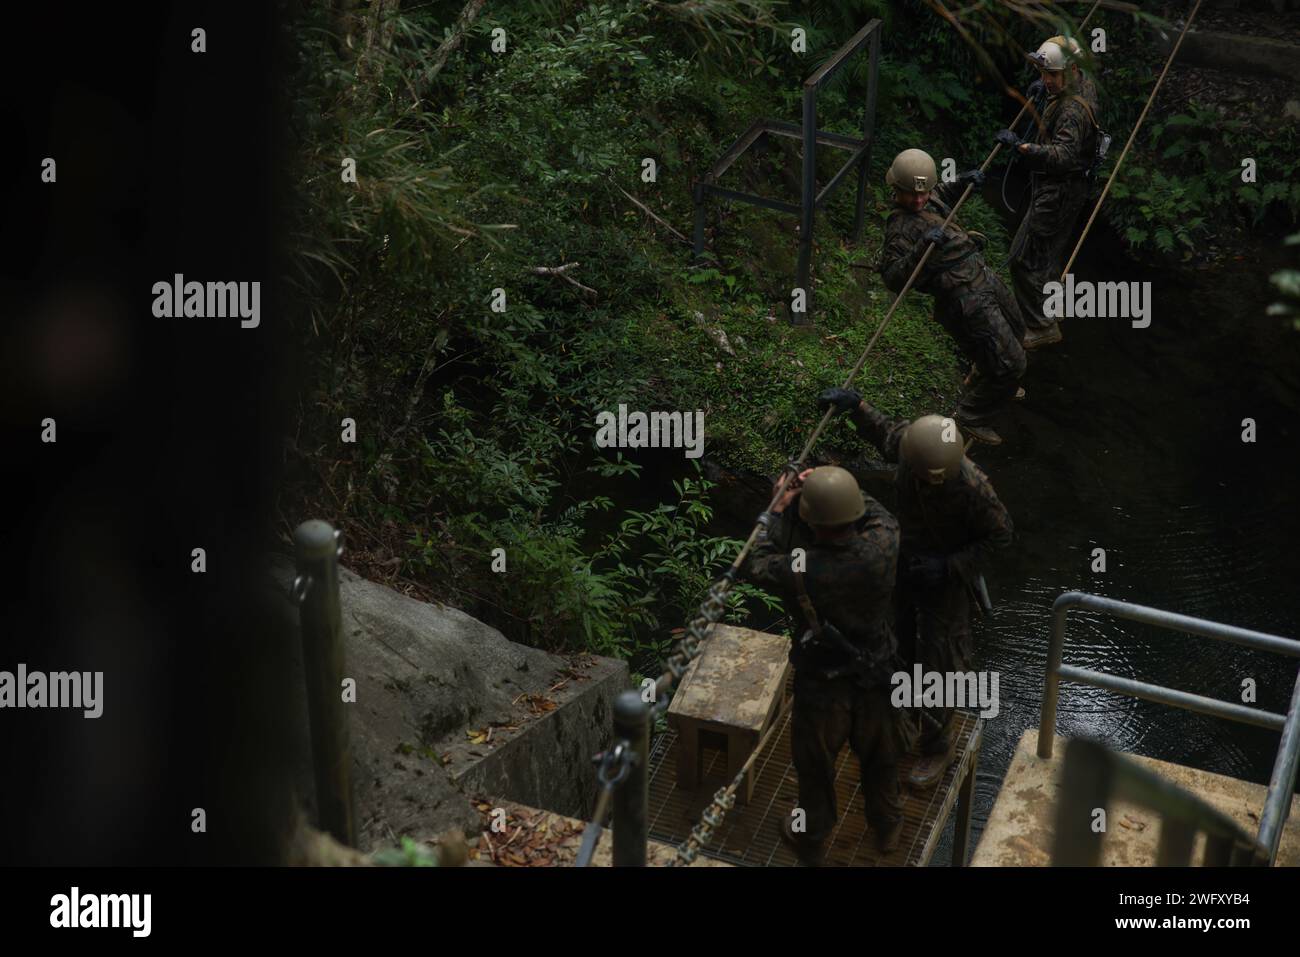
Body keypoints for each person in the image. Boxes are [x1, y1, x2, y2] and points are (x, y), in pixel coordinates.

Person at [816, 390, 1013, 788]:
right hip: (905, 565)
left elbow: (1002, 537)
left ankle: (937, 746)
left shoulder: (973, 488)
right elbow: (887, 434)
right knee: (897, 645)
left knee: (940, 661)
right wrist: (857, 406)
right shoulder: (914, 449)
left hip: (946, 578)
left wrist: (949, 567)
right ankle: (903, 720)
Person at [741, 465, 905, 862]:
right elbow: (875, 509)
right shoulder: (885, 540)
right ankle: (887, 828)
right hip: (877, 672)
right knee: (882, 758)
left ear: (811, 521)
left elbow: (756, 558)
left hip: (822, 682)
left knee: (815, 766)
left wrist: (780, 503)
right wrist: (833, 483)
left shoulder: (801, 568)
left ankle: (813, 836)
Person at [879, 148, 1027, 446]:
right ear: (896, 189)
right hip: (964, 298)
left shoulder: (927, 194)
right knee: (1013, 365)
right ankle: (970, 416)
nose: (919, 200)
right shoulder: (899, 229)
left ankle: (985, 371)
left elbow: (942, 193)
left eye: (924, 193)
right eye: (911, 195)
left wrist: (964, 180)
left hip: (980, 274)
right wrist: (921, 247)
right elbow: (893, 278)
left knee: (1018, 329)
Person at [997, 38, 1103, 350]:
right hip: (1072, 189)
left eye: (1052, 75)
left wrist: (1023, 148)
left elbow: (1063, 156)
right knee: (1047, 252)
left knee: (1022, 258)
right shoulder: (1082, 84)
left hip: (1059, 190)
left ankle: (1040, 325)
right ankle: (1049, 305)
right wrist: (1043, 88)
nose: (1046, 81)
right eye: (1043, 73)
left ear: (1071, 71)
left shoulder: (1072, 111)